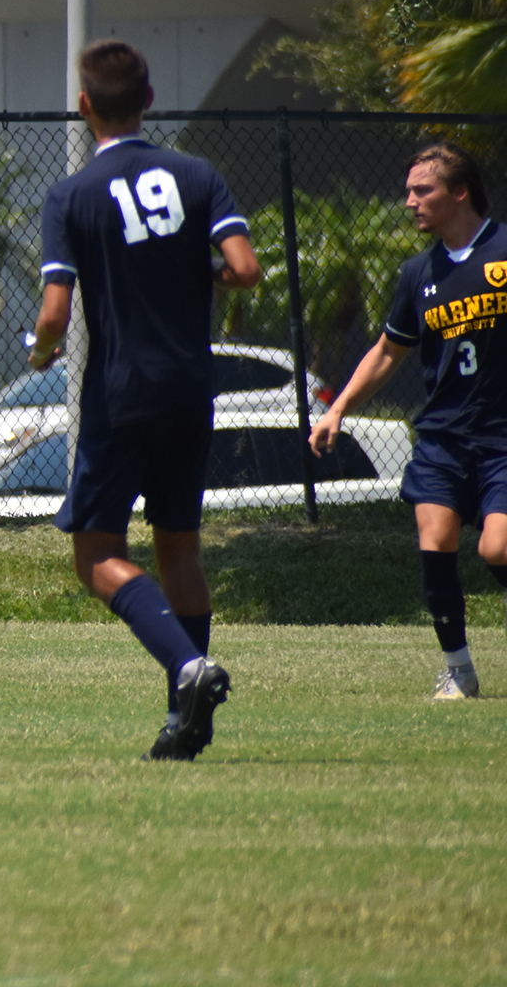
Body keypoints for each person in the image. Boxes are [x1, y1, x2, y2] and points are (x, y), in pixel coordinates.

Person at [28, 39, 262, 761]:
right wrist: (197, 275)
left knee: (96, 553)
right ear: (149, 100)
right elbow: (245, 268)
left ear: (84, 106)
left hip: (120, 392)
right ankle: (185, 723)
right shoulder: (196, 174)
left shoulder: (71, 195)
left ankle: (187, 668)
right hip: (192, 388)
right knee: (179, 548)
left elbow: (55, 313)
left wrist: (40, 349)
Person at [310, 143, 507, 701]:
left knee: (498, 548)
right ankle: (459, 670)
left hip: (502, 436)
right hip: (443, 436)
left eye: (423, 190)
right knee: (436, 538)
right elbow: (387, 352)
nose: (409, 202)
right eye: (408, 192)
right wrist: (339, 407)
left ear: (459, 192)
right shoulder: (417, 273)